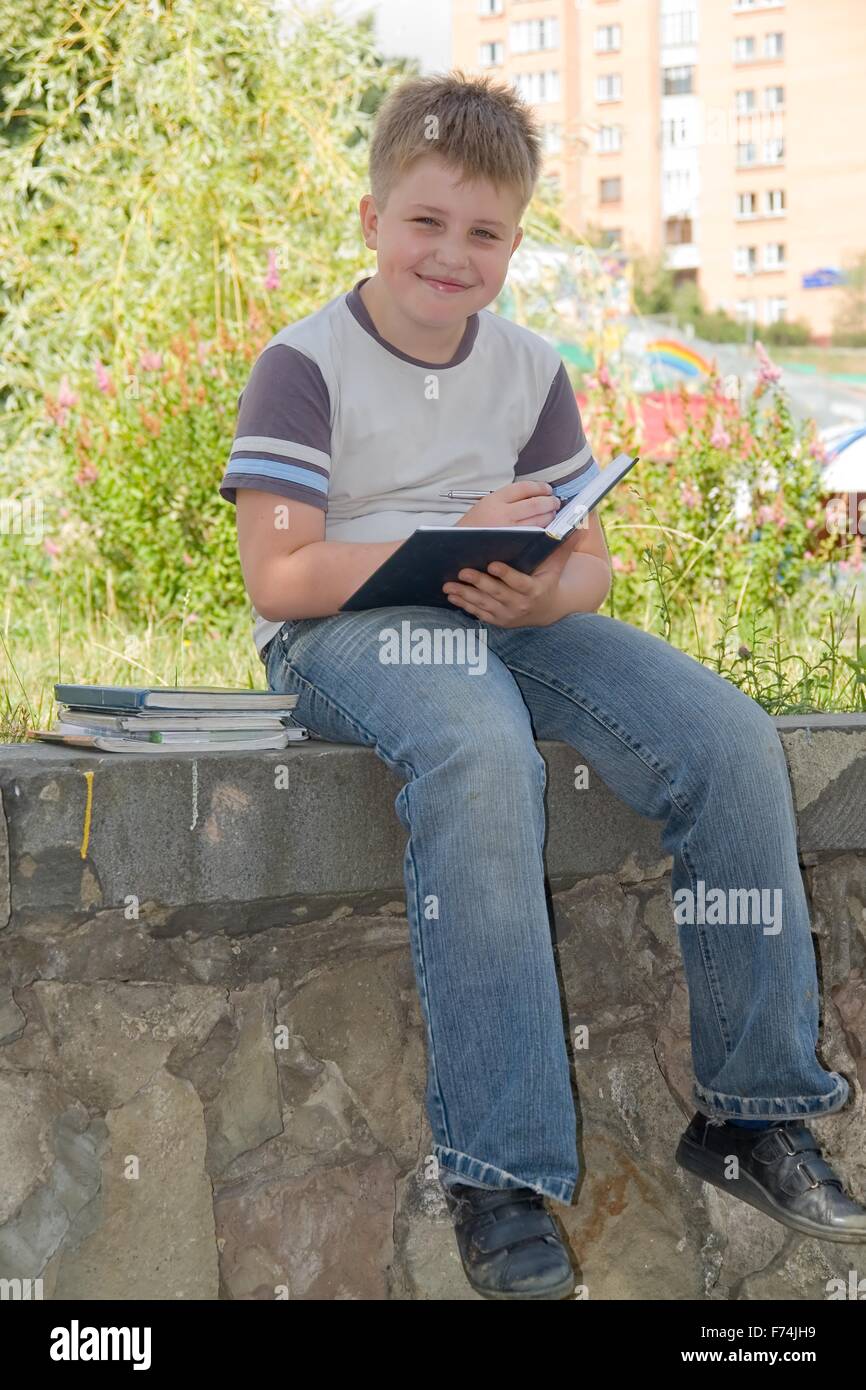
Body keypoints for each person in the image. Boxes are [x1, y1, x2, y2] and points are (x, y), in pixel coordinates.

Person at [218, 70, 866, 1300]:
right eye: (426, 223)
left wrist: (539, 588)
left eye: (482, 234)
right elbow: (282, 568)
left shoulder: (525, 368)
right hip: (350, 628)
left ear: (513, 241)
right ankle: (496, 1171)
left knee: (726, 739)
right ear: (371, 219)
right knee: (475, 745)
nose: (450, 255)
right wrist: (445, 540)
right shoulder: (301, 365)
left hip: (501, 614)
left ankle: (750, 1110)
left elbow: (588, 564)